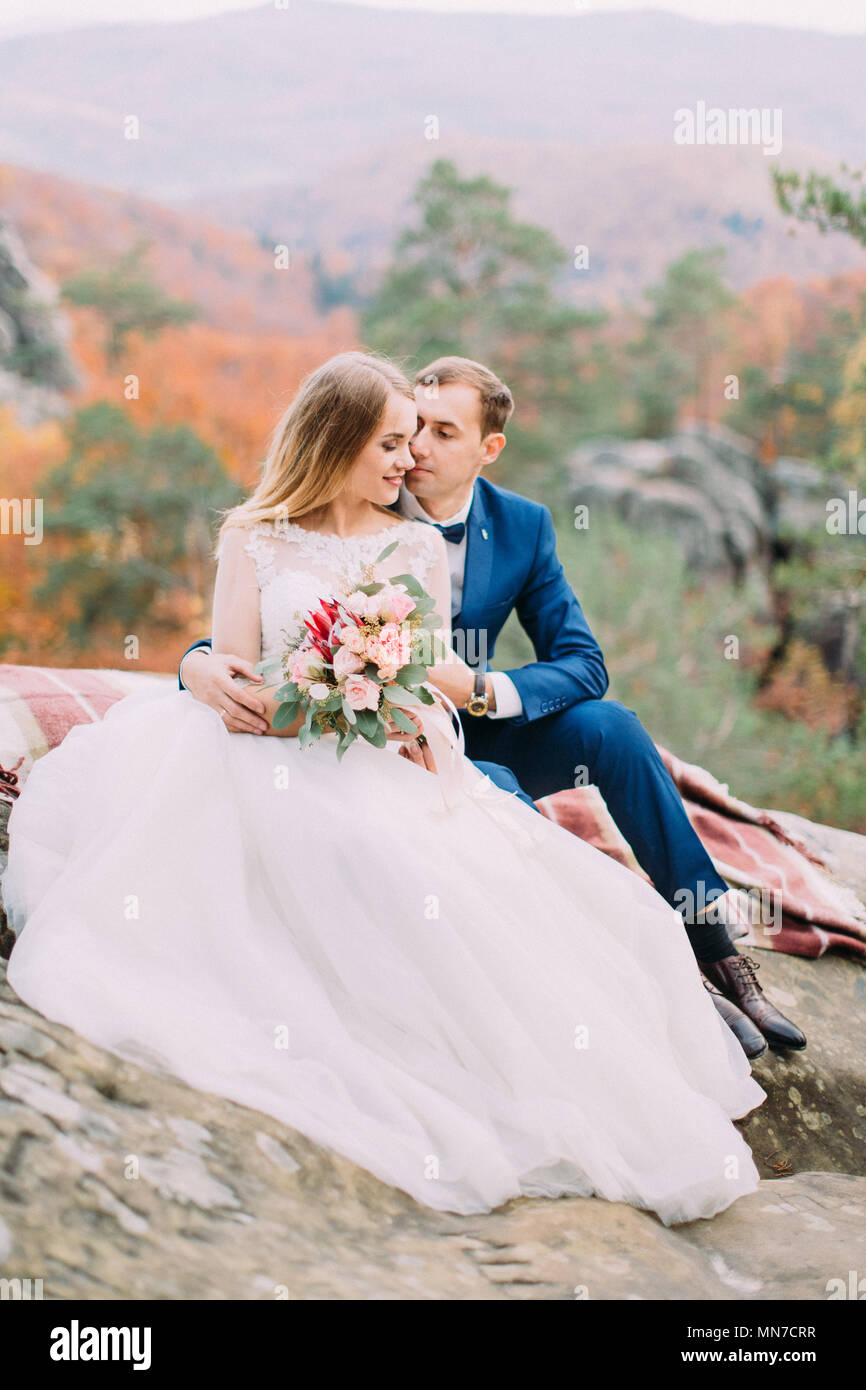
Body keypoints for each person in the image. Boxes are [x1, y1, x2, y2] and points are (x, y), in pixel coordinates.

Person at [3, 351, 767, 1225]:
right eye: (394, 442)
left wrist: (393, 698)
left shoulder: (418, 543)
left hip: (391, 743)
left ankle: (715, 957)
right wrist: (219, 675)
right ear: (338, 439)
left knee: (456, 862)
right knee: (327, 853)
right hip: (262, 753)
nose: (409, 461)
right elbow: (233, 669)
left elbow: (433, 683)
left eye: (426, 439)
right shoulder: (252, 536)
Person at [181, 355, 805, 1061]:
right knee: (494, 810)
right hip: (384, 741)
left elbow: (584, 663)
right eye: (408, 431)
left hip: (461, 723)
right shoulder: (344, 501)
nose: (415, 450)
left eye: (441, 433)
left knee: (615, 729)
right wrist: (194, 666)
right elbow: (268, 638)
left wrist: (477, 690)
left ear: (488, 448)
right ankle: (653, 985)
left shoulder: (520, 527)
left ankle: (715, 952)